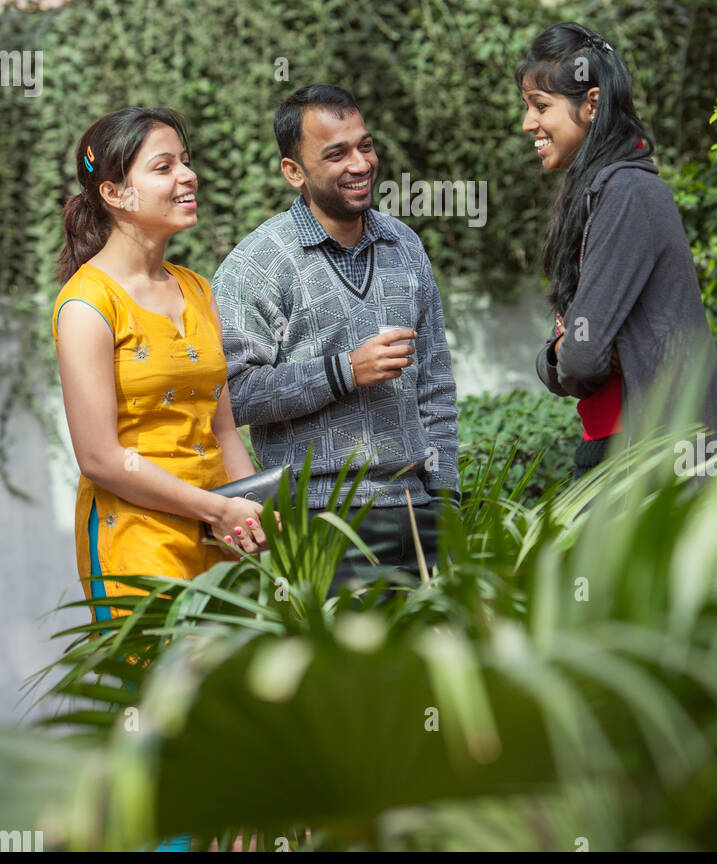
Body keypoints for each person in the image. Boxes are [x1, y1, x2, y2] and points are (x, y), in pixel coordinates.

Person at [212, 84, 459, 592]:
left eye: (364, 145)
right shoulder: (258, 264)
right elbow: (232, 395)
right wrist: (342, 371)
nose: (360, 163)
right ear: (293, 172)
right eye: (336, 153)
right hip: (318, 519)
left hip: (416, 512)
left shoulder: (404, 246)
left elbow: (434, 383)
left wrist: (446, 500)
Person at [52, 107, 272, 626]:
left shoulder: (196, 288)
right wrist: (217, 510)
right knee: (159, 699)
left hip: (225, 531)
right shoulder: (86, 305)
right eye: (164, 166)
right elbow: (100, 458)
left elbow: (224, 429)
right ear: (114, 193)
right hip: (139, 541)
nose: (188, 176)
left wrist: (253, 512)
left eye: (187, 162)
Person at [517, 23, 717, 482]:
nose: (527, 123)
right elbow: (574, 353)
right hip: (623, 452)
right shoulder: (599, 192)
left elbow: (580, 357)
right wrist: (561, 351)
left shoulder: (628, 192)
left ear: (591, 103)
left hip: (648, 461)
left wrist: (562, 351)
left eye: (540, 106)